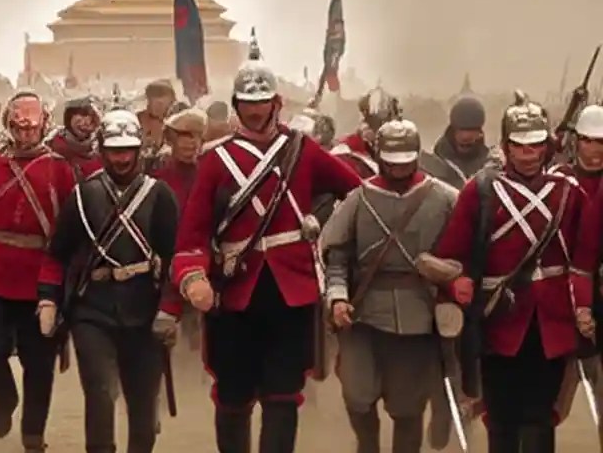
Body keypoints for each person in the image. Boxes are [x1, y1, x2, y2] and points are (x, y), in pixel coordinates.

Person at [167, 47, 362, 453]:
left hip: (292, 290)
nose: (255, 111)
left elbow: (358, 193)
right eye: (247, 103)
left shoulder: (302, 150)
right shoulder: (215, 160)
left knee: (283, 393)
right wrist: (193, 275)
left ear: (277, 103)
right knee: (233, 393)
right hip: (235, 291)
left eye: (262, 102)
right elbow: (192, 234)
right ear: (237, 104)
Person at [426, 94, 595, 452]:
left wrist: (583, 307)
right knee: (501, 417)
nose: (528, 154)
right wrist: (456, 284)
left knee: (540, 419)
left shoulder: (568, 193)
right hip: (497, 319)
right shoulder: (480, 191)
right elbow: (452, 254)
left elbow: (584, 259)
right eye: (519, 146)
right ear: (506, 146)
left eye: (535, 145)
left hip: (551, 321)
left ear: (547, 147)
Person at [38, 109, 179, 453]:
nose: (121, 158)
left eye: (128, 150)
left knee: (142, 404)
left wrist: (169, 308)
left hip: (145, 311)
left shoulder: (160, 196)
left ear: (138, 150)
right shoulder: (83, 195)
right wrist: (48, 298)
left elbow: (176, 257)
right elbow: (57, 253)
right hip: (93, 309)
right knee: (100, 393)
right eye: (114, 150)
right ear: (102, 150)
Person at [322, 119, 457, 453]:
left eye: (405, 161)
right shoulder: (359, 198)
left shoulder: (445, 198)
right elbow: (336, 257)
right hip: (363, 312)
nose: (399, 169)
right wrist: (337, 298)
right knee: (357, 395)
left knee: (408, 406)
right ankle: (367, 446)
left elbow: (465, 251)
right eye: (392, 162)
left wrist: (449, 275)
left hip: (420, 313)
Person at [0, 90, 76, 452]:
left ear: (43, 126)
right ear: (10, 126)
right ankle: (4, 398)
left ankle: (33, 436)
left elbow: (71, 222)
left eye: (32, 128)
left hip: (41, 279)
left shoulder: (59, 168)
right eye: (20, 127)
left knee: (39, 364)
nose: (25, 134)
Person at [419, 96, 497, 190]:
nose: (465, 136)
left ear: (479, 132)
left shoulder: (489, 168)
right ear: (453, 130)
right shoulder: (431, 167)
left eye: (470, 130)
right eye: (461, 130)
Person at [46, 96, 102, 182]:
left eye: (90, 117)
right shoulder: (52, 148)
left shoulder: (101, 150)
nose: (86, 123)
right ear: (69, 118)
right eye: (82, 115)